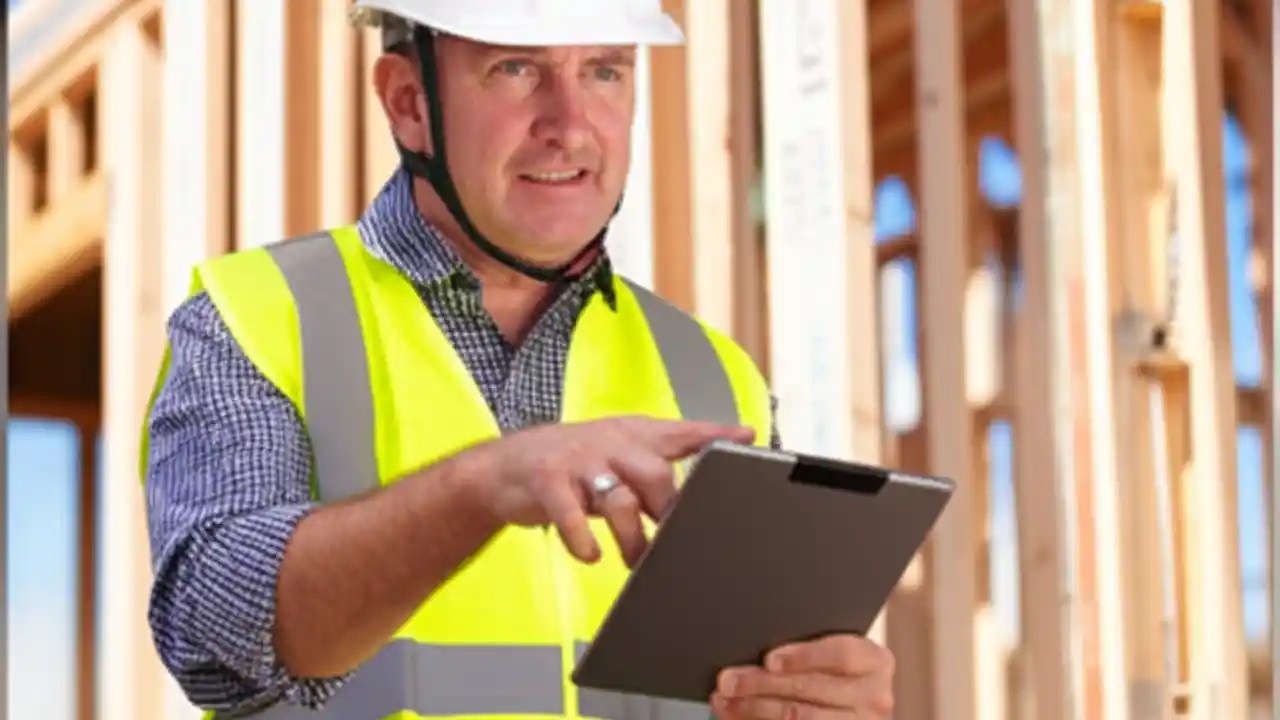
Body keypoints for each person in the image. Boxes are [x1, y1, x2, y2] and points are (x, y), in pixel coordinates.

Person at [141, 1, 896, 718]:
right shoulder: (261, 317)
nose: (570, 126)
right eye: (516, 68)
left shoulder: (714, 374)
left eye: (604, 70)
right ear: (408, 103)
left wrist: (809, 696)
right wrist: (485, 483)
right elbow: (220, 630)